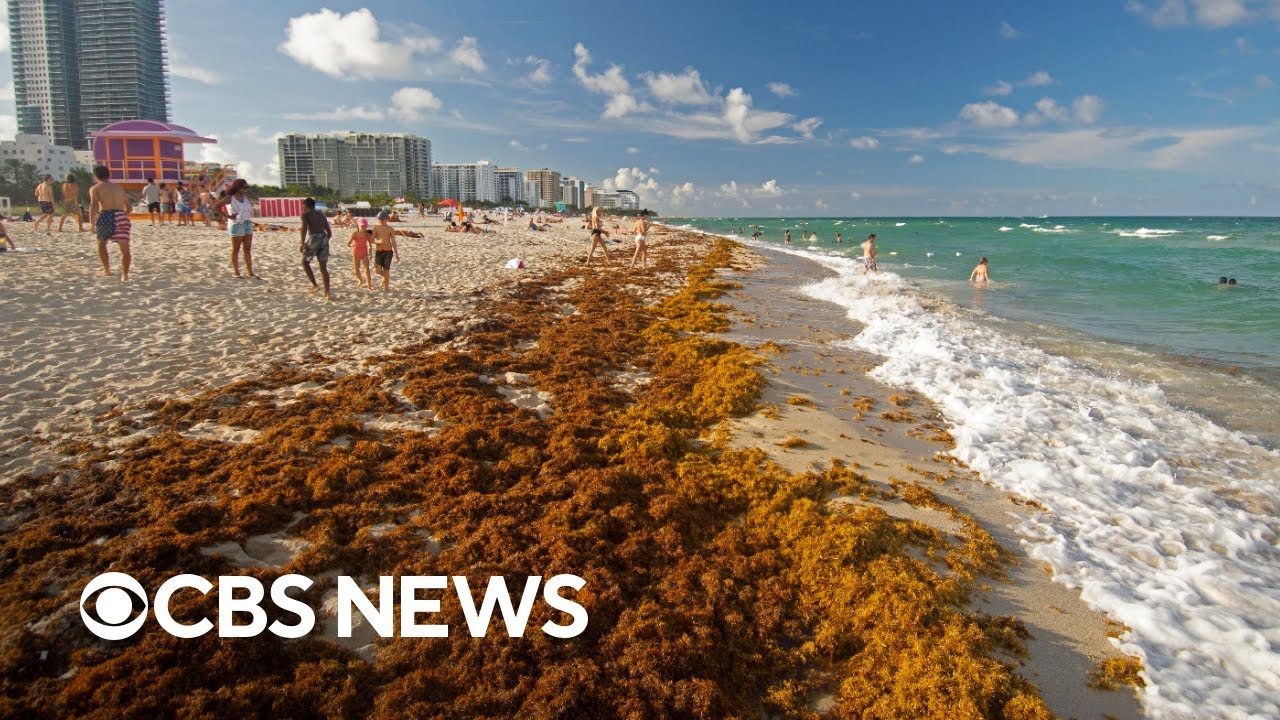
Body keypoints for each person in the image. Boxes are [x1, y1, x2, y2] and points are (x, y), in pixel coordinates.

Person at [87, 165, 132, 281]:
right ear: (109, 175)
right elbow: (129, 208)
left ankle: (107, 270)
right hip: (121, 215)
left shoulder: (95, 188)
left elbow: (93, 205)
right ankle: (125, 275)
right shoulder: (118, 188)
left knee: (102, 244)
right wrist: (120, 216)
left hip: (106, 216)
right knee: (125, 249)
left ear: (96, 176)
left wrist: (92, 223)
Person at [212, 179, 255, 278]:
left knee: (247, 249)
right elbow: (216, 207)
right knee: (236, 249)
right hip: (236, 225)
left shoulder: (245, 198)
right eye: (244, 187)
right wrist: (228, 216)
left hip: (247, 223)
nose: (246, 189)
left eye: (246, 187)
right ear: (238, 187)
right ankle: (236, 272)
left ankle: (250, 272)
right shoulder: (230, 198)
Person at [299, 197, 333, 300]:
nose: (302, 207)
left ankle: (315, 285)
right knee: (323, 267)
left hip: (314, 238)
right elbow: (329, 231)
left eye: (303, 205)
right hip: (324, 237)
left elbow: (304, 229)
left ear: (306, 205)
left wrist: (302, 243)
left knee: (305, 262)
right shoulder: (321, 214)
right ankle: (327, 293)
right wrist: (325, 240)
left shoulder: (306, 215)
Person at [370, 211, 403, 291]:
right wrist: (378, 241)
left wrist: (397, 254)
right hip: (379, 251)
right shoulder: (376, 228)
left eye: (382, 219)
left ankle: (386, 288)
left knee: (386, 270)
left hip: (388, 251)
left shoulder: (390, 229)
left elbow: (393, 242)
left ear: (386, 219)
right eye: (379, 219)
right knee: (376, 270)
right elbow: (371, 240)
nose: (380, 220)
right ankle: (385, 277)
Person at [349, 217, 373, 289]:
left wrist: (370, 252)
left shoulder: (367, 235)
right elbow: (348, 243)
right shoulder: (354, 234)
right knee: (356, 270)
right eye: (362, 226)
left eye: (365, 226)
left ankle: (369, 286)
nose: (363, 228)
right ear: (358, 226)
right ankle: (360, 280)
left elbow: (369, 244)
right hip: (356, 252)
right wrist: (351, 245)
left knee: (367, 269)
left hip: (364, 252)